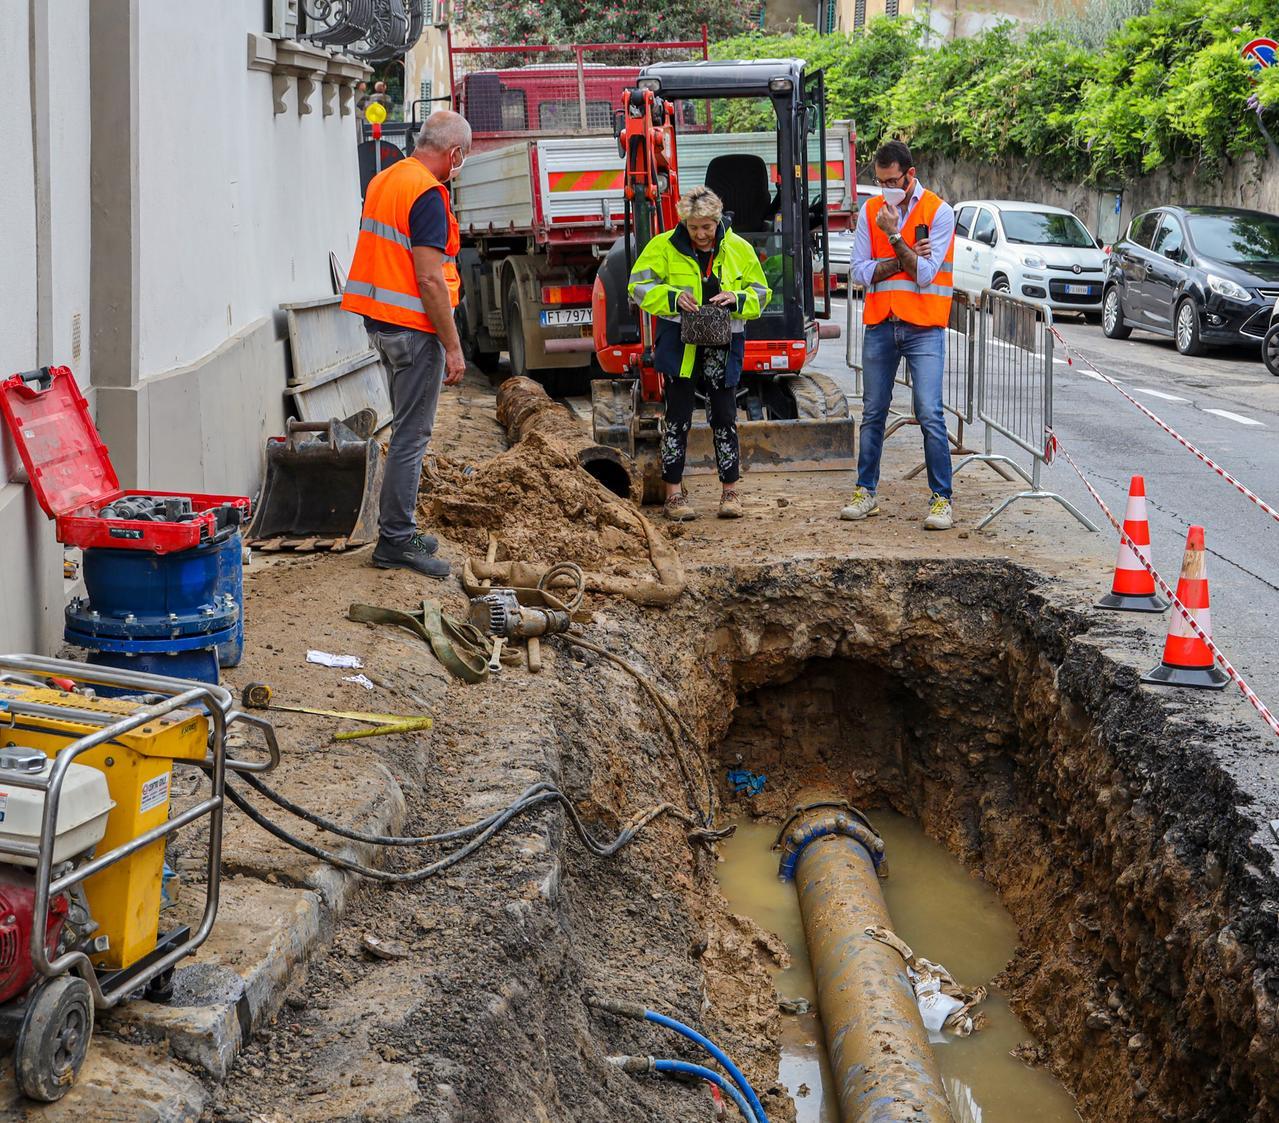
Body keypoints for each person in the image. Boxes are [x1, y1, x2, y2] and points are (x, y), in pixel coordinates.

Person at [341, 110, 471, 577]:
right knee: (411, 437)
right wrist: (452, 346)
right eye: (462, 160)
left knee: (403, 433)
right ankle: (396, 539)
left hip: (381, 324)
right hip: (414, 329)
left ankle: (399, 530)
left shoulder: (386, 179)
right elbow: (430, 279)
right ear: (453, 154)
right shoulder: (428, 194)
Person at [627, 186, 771, 521]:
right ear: (684, 223)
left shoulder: (739, 248)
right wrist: (673, 296)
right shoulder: (662, 247)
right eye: (693, 228)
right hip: (680, 343)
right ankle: (674, 496)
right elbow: (638, 286)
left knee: (724, 417)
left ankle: (730, 492)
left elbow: (762, 294)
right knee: (677, 418)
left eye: (706, 226)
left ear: (717, 220)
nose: (701, 234)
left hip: (724, 344)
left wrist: (736, 298)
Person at [842, 140, 956, 531]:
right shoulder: (869, 209)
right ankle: (865, 492)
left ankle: (942, 499)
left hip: (924, 327)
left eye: (893, 180)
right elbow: (857, 272)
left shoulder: (939, 212)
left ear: (911, 174)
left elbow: (926, 276)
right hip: (880, 322)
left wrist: (893, 237)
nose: (886, 188)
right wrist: (905, 257)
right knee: (872, 413)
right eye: (880, 180)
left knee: (929, 412)